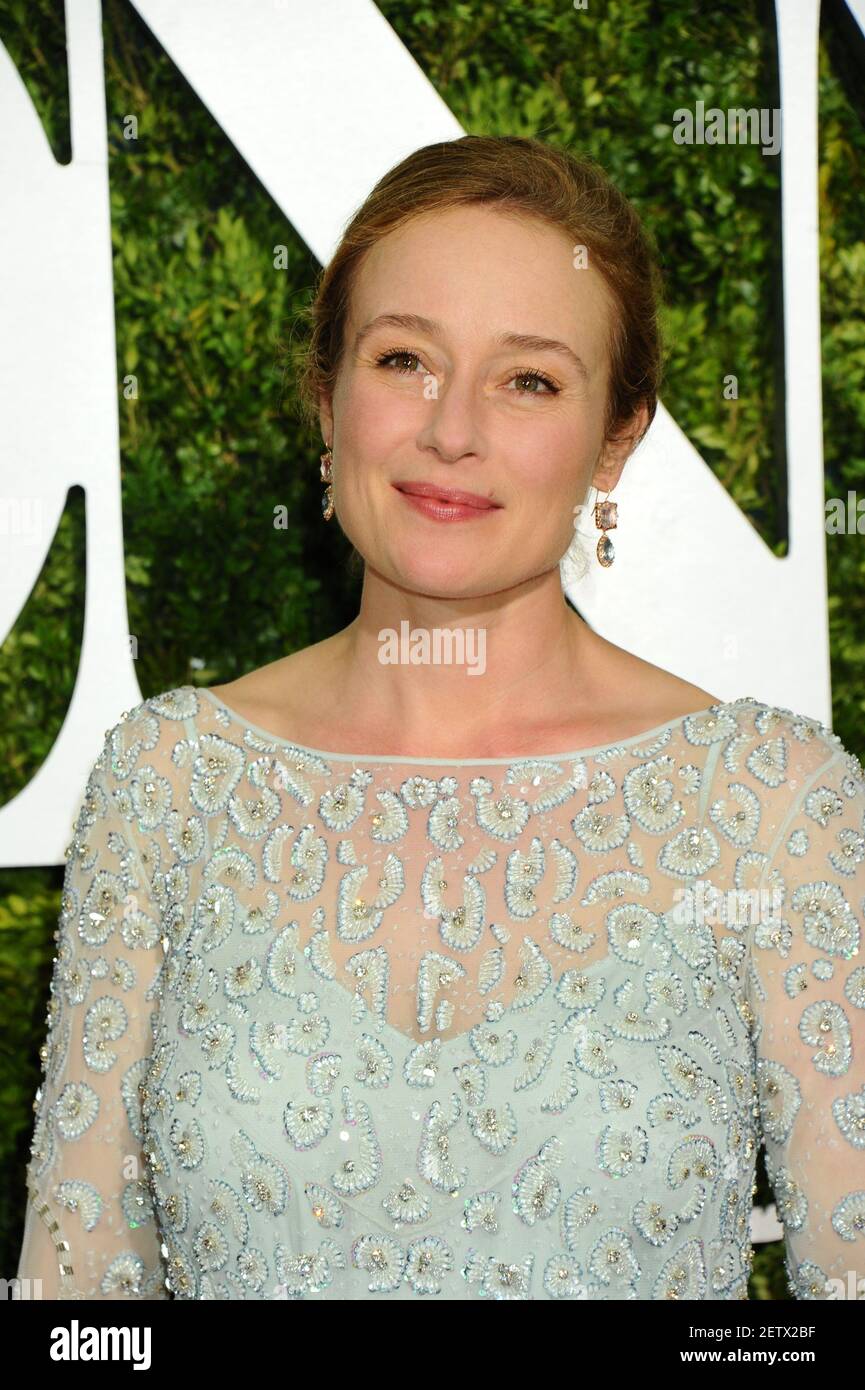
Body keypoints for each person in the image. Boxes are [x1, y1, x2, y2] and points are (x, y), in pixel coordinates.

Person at [16, 135, 865, 1300]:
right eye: (405, 358)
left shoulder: (771, 801)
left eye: (529, 379)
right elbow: (74, 1292)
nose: (451, 429)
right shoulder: (168, 781)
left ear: (616, 437)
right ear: (327, 396)